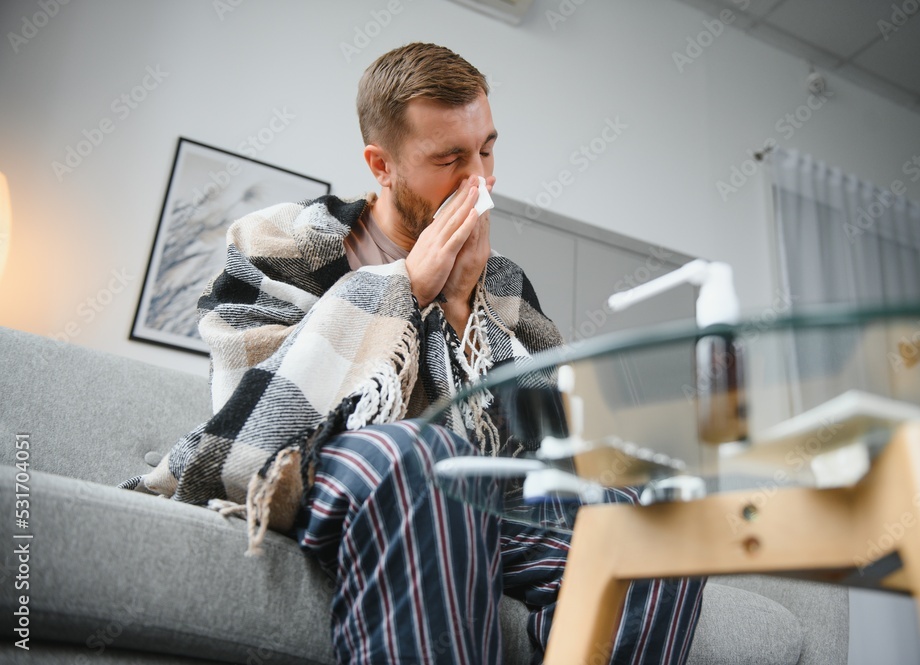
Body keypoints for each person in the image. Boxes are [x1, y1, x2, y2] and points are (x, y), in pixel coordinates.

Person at [123, 42, 704, 664]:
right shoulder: (280, 243)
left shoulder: (501, 284)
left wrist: (461, 314)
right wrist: (406, 287)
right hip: (327, 472)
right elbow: (256, 427)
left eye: (486, 149)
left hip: (469, 496)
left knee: (656, 528)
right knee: (427, 453)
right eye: (451, 158)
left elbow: (546, 450)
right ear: (382, 164)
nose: (479, 180)